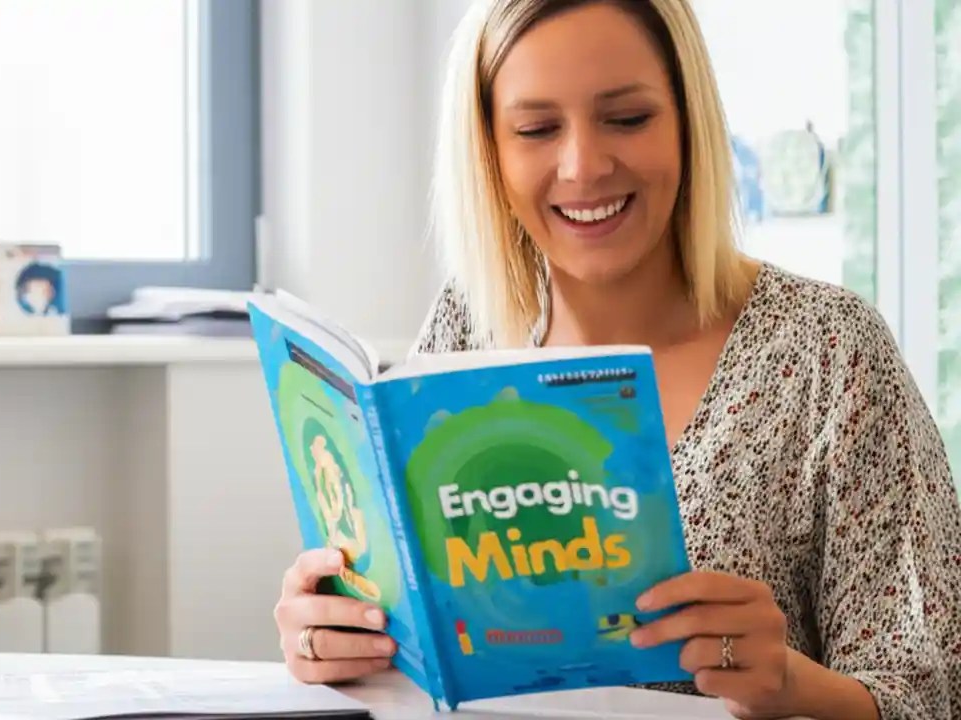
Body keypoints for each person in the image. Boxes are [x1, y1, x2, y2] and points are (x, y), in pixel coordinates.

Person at [271, 1, 961, 718]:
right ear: (489, 153)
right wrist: (331, 635)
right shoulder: (465, 329)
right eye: (537, 129)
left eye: (628, 119)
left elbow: (929, 693)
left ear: (689, 122)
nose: (584, 166)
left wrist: (789, 685)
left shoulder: (829, 351)